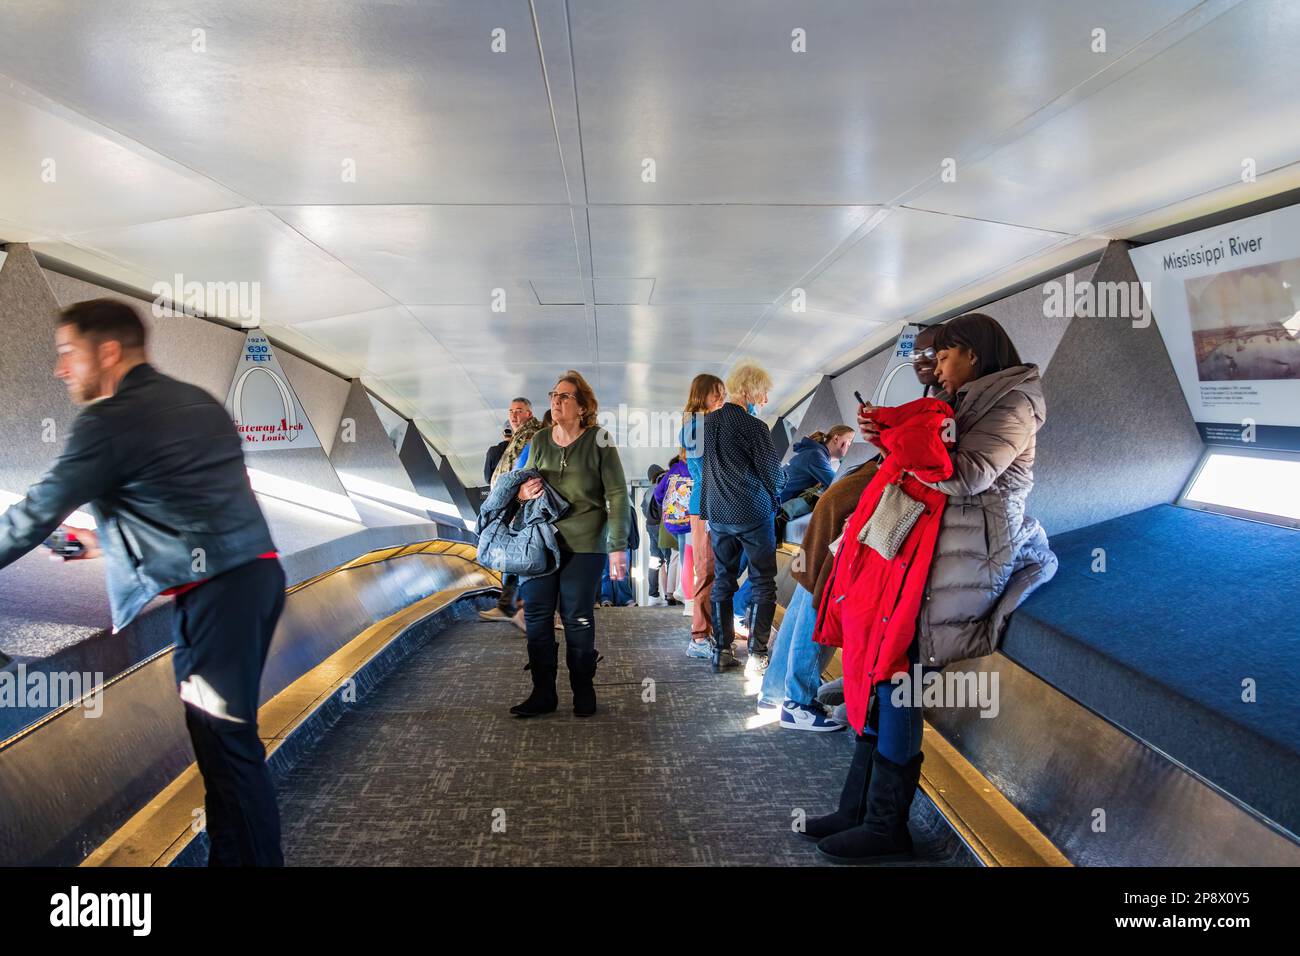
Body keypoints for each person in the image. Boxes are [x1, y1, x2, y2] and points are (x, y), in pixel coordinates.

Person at [0, 299, 285, 866]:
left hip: (216, 598)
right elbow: (187, 510)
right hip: (250, 581)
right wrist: (92, 544)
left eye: (67, 354)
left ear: (107, 352)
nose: (61, 370)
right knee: (222, 745)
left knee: (228, 749)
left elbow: (35, 513)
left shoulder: (109, 419)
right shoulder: (196, 402)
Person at [809, 313, 1057, 864]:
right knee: (881, 674)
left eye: (944, 357)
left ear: (972, 353)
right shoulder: (971, 400)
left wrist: (899, 441)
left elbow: (967, 473)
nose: (936, 369)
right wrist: (893, 434)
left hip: (961, 568)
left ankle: (885, 826)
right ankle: (859, 810)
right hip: (925, 560)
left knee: (899, 681)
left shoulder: (1016, 403)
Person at [759, 326, 944, 730]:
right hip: (842, 529)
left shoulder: (848, 464)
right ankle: (798, 701)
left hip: (827, 522)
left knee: (804, 604)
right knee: (820, 608)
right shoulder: (930, 421)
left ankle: (775, 693)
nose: (934, 366)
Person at [510, 371, 629, 718]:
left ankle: (583, 688)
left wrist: (618, 544)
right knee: (536, 615)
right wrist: (522, 492)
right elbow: (521, 483)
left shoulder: (599, 440)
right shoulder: (541, 441)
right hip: (541, 543)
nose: (556, 401)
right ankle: (543, 693)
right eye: (553, 395)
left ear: (583, 406)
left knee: (577, 616)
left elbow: (618, 495)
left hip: (585, 544)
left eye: (564, 396)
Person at [699, 362, 784, 672]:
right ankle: (757, 655)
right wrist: (778, 495)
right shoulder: (755, 427)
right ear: (751, 391)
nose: (763, 401)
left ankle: (721, 651)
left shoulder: (706, 425)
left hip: (719, 514)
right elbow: (772, 475)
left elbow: (706, 470)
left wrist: (709, 509)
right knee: (763, 583)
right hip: (752, 513)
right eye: (763, 395)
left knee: (724, 579)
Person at [482, 398, 544, 627]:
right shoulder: (518, 438)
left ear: (529, 413)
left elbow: (521, 469)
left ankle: (520, 607)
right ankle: (509, 605)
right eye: (511, 411)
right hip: (515, 502)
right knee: (512, 552)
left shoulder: (533, 434)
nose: (514, 415)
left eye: (519, 411)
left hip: (524, 503)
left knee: (521, 552)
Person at [679, 374, 725, 651]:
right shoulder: (696, 426)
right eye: (717, 393)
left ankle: (711, 629)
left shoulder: (705, 425)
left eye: (724, 394)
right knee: (707, 570)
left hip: (713, 503)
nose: (722, 399)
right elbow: (710, 467)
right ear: (702, 395)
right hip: (705, 505)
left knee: (715, 570)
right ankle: (698, 636)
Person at [779, 425, 853, 503]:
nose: (851, 447)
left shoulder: (815, 452)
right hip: (772, 506)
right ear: (836, 439)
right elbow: (840, 486)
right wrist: (845, 458)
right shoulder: (815, 456)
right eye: (850, 442)